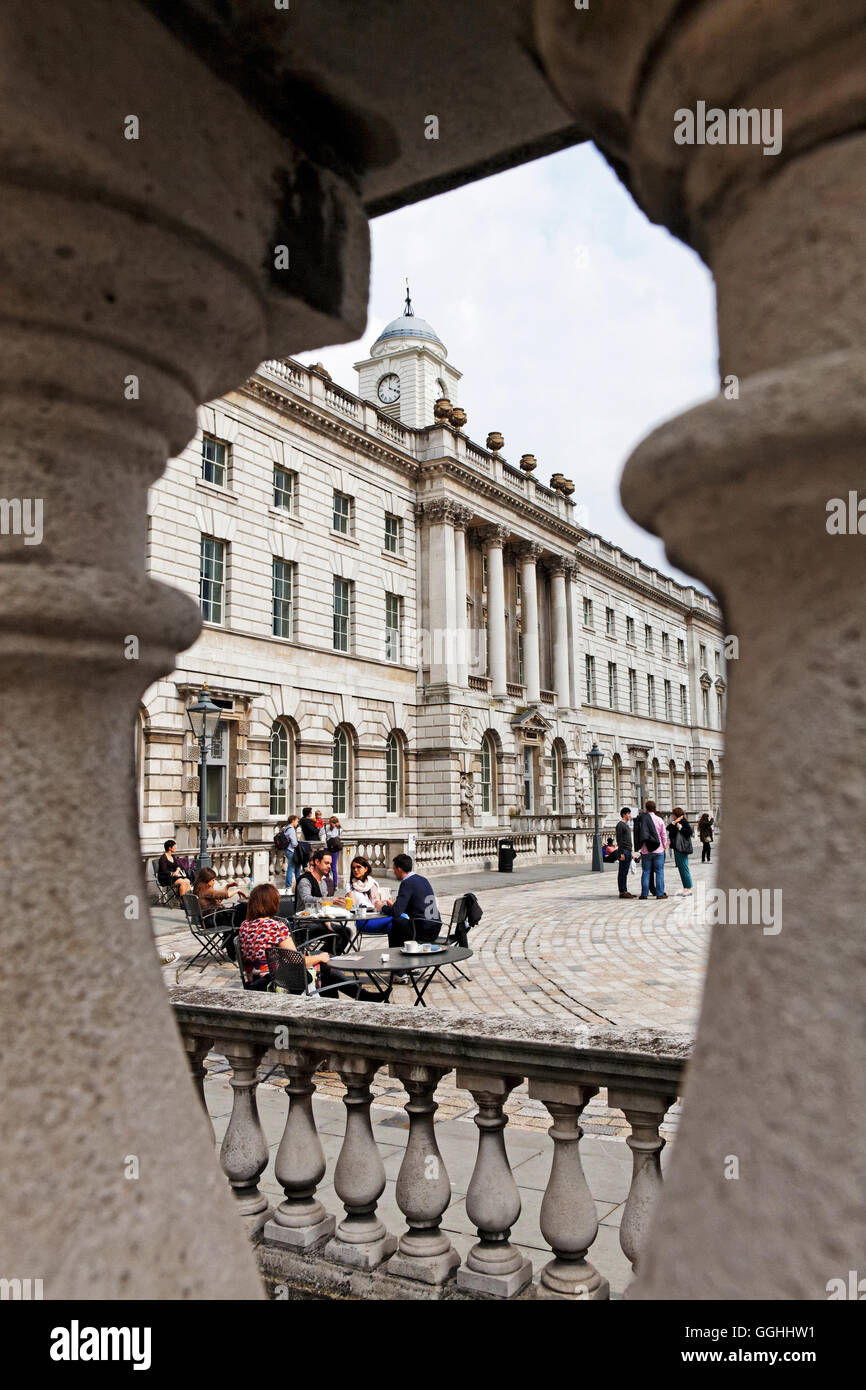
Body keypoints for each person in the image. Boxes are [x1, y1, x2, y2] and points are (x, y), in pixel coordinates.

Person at [238, 883, 386, 1000]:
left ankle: (358, 995)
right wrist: (320, 957)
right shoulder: (275, 927)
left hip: (256, 980)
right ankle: (358, 995)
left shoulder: (245, 925)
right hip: (279, 981)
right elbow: (296, 961)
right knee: (325, 965)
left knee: (323, 960)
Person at [294, 847, 351, 954]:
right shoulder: (305, 880)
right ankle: (322, 961)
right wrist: (329, 900)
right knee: (335, 937)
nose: (329, 866)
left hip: (321, 921)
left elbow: (324, 907)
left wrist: (328, 920)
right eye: (326, 863)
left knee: (346, 932)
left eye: (330, 863)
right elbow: (306, 899)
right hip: (306, 924)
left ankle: (325, 960)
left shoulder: (323, 883)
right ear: (317, 862)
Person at [378, 853, 441, 949]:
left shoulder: (407, 883)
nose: (393, 872)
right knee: (401, 922)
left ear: (399, 869)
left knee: (395, 922)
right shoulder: (423, 880)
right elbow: (415, 906)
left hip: (422, 931)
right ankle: (400, 954)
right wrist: (394, 906)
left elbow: (396, 912)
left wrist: (381, 907)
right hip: (435, 928)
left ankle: (395, 955)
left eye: (394, 869)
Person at [193, 866, 248, 931]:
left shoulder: (199, 889)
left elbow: (219, 897)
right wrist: (237, 890)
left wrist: (227, 887)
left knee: (240, 909)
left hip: (209, 919)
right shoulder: (206, 890)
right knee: (244, 907)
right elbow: (226, 895)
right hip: (213, 919)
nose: (213, 882)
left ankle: (230, 937)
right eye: (212, 880)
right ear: (207, 879)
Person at [634, 800, 668, 900]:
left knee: (646, 872)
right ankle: (660, 893)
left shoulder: (642, 819)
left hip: (645, 850)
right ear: (654, 808)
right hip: (658, 849)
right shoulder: (659, 819)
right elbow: (663, 834)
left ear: (646, 808)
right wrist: (664, 845)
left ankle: (644, 894)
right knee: (659, 872)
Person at [348, 855, 392, 933]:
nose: (355, 870)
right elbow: (353, 908)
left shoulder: (374, 883)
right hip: (363, 920)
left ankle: (399, 945)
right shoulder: (349, 886)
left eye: (358, 867)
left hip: (378, 917)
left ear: (366, 869)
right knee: (401, 918)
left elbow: (378, 903)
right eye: (353, 868)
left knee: (395, 925)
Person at [668, 807, 694, 895]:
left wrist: (680, 828)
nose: (672, 816)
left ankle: (689, 888)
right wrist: (675, 822)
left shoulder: (683, 822)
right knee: (681, 868)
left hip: (682, 848)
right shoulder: (676, 822)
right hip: (677, 848)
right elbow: (668, 828)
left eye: (673, 815)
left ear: (676, 815)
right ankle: (686, 887)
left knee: (684, 868)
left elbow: (690, 832)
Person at [615, 808, 635, 899]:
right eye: (628, 814)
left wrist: (631, 852)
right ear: (624, 814)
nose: (629, 816)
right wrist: (622, 853)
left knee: (625, 872)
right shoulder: (620, 825)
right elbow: (619, 840)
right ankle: (622, 891)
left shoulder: (626, 825)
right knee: (622, 872)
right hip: (624, 851)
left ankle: (625, 890)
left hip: (628, 851)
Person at [324, 815, 342, 886]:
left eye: (334, 822)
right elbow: (320, 833)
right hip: (327, 848)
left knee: (333, 867)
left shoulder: (338, 829)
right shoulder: (326, 828)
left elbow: (336, 835)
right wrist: (324, 826)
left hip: (334, 849)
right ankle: (327, 882)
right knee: (326, 866)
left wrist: (338, 826)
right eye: (331, 822)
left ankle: (335, 884)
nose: (332, 824)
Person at [282, 814, 300, 891]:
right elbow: (294, 843)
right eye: (297, 821)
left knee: (297, 868)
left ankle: (298, 884)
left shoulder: (286, 828)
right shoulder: (291, 829)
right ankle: (289, 887)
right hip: (291, 850)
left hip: (288, 850)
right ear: (292, 821)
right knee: (291, 868)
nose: (297, 823)